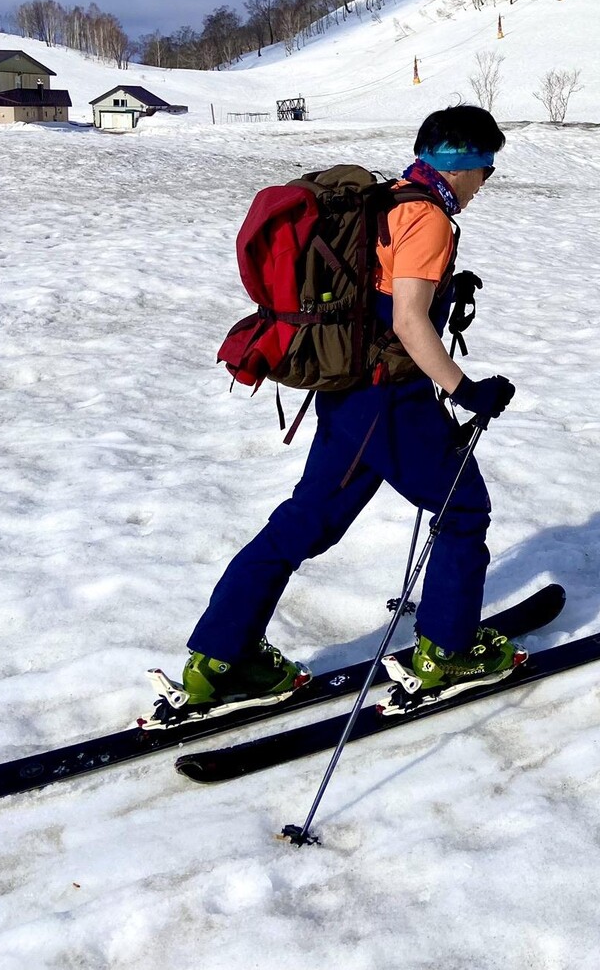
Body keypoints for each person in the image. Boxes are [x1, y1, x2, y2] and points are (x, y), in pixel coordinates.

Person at [181, 105, 517, 708]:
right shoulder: (428, 219)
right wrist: (468, 390)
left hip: (346, 399)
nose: (486, 183)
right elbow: (411, 324)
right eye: (487, 169)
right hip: (391, 401)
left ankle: (220, 656)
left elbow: (385, 298)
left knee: (304, 523)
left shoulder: (388, 201)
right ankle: (448, 649)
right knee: (464, 508)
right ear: (464, 164)